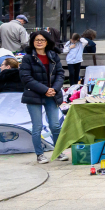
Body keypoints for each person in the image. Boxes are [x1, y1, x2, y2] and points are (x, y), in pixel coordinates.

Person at [19, 31, 65, 163]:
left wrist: (54, 89)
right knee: (37, 126)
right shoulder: (28, 58)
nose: (39, 42)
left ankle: (59, 152)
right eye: (37, 40)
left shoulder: (53, 56)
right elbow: (26, 78)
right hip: (34, 95)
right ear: (32, 42)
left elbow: (60, 74)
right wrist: (45, 90)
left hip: (52, 95)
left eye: (42, 40)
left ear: (47, 42)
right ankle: (40, 154)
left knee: (55, 126)